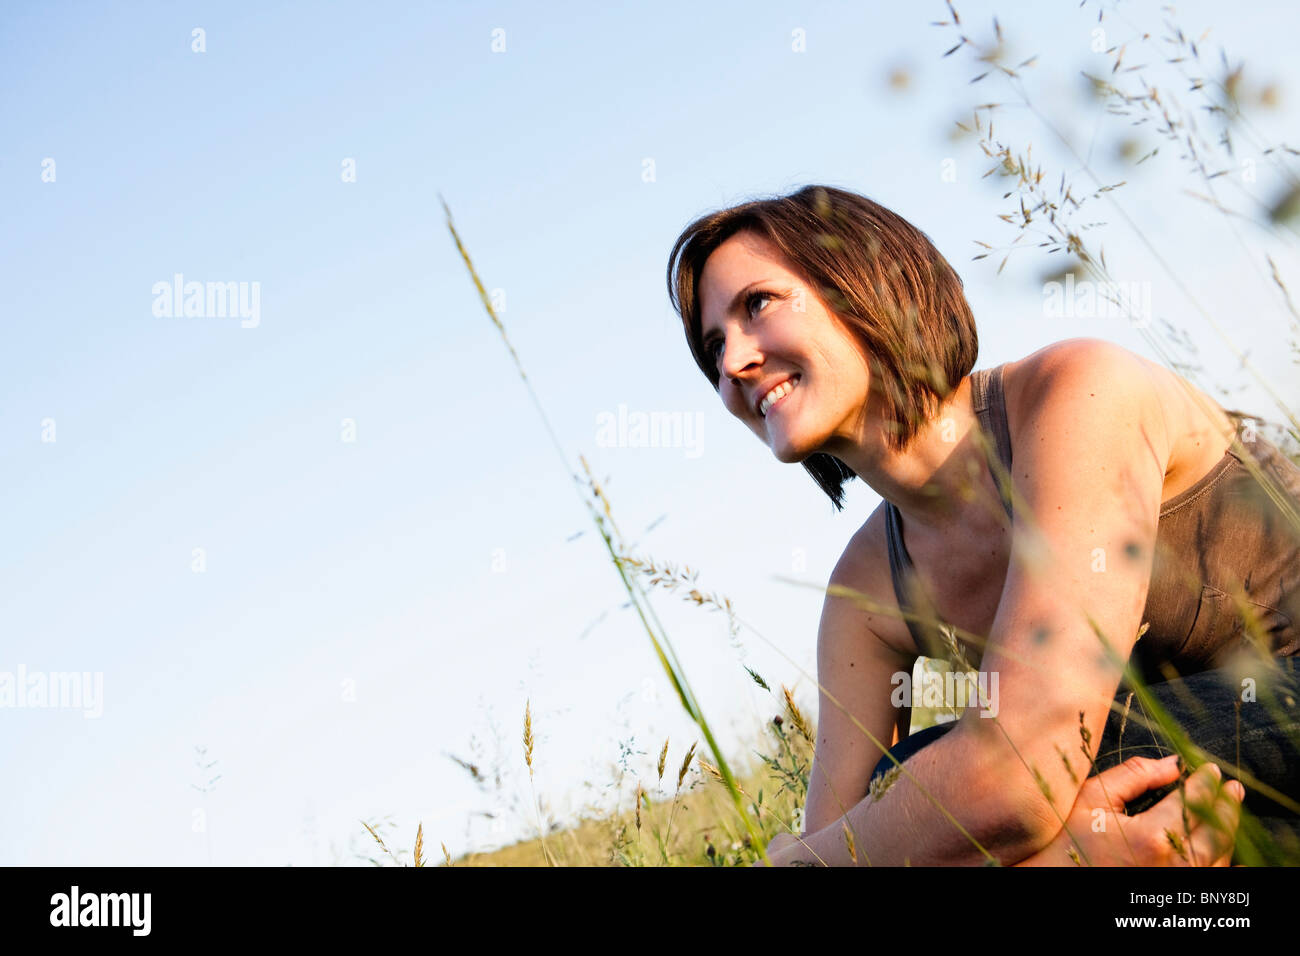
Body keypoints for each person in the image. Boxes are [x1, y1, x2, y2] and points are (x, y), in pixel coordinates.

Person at [665, 184, 1300, 866]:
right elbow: (841, 834)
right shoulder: (866, 587)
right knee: (912, 805)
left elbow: (1022, 768)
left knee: (919, 795)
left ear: (860, 283)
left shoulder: (1080, 390)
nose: (733, 363)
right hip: (1186, 810)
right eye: (713, 344)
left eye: (756, 305)